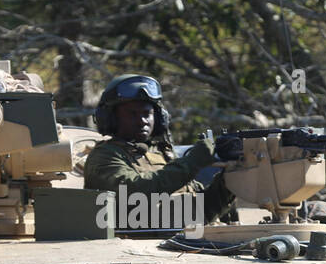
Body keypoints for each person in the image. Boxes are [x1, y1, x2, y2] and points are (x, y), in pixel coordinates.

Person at [83, 74, 242, 224]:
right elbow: (136, 192)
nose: (142, 121)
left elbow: (202, 209)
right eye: (132, 114)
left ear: (159, 118)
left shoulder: (162, 154)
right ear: (111, 118)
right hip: (137, 245)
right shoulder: (104, 157)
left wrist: (229, 179)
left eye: (147, 113)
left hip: (183, 239)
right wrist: (192, 162)